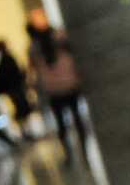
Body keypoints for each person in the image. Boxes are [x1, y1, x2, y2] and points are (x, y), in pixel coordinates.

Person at [28, 15, 87, 158]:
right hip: (70, 84)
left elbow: (33, 71)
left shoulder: (34, 49)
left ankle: (68, 153)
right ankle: (84, 149)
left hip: (52, 89)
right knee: (77, 118)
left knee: (60, 123)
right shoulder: (60, 41)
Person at [0, 39, 33, 136]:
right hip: (14, 88)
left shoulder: (4, 59)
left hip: (14, 88)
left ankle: (25, 131)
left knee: (22, 109)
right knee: (21, 109)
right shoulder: (6, 59)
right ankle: (25, 131)